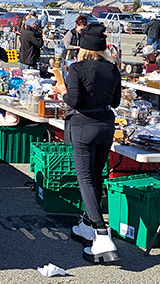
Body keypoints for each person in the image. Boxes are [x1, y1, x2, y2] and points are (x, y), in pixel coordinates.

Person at [55, 24, 121, 264]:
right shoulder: (112, 69)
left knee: (85, 179)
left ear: (83, 48)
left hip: (84, 125)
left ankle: (102, 235)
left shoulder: (77, 68)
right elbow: (116, 101)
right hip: (106, 125)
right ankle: (86, 223)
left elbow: (73, 100)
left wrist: (62, 91)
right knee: (96, 175)